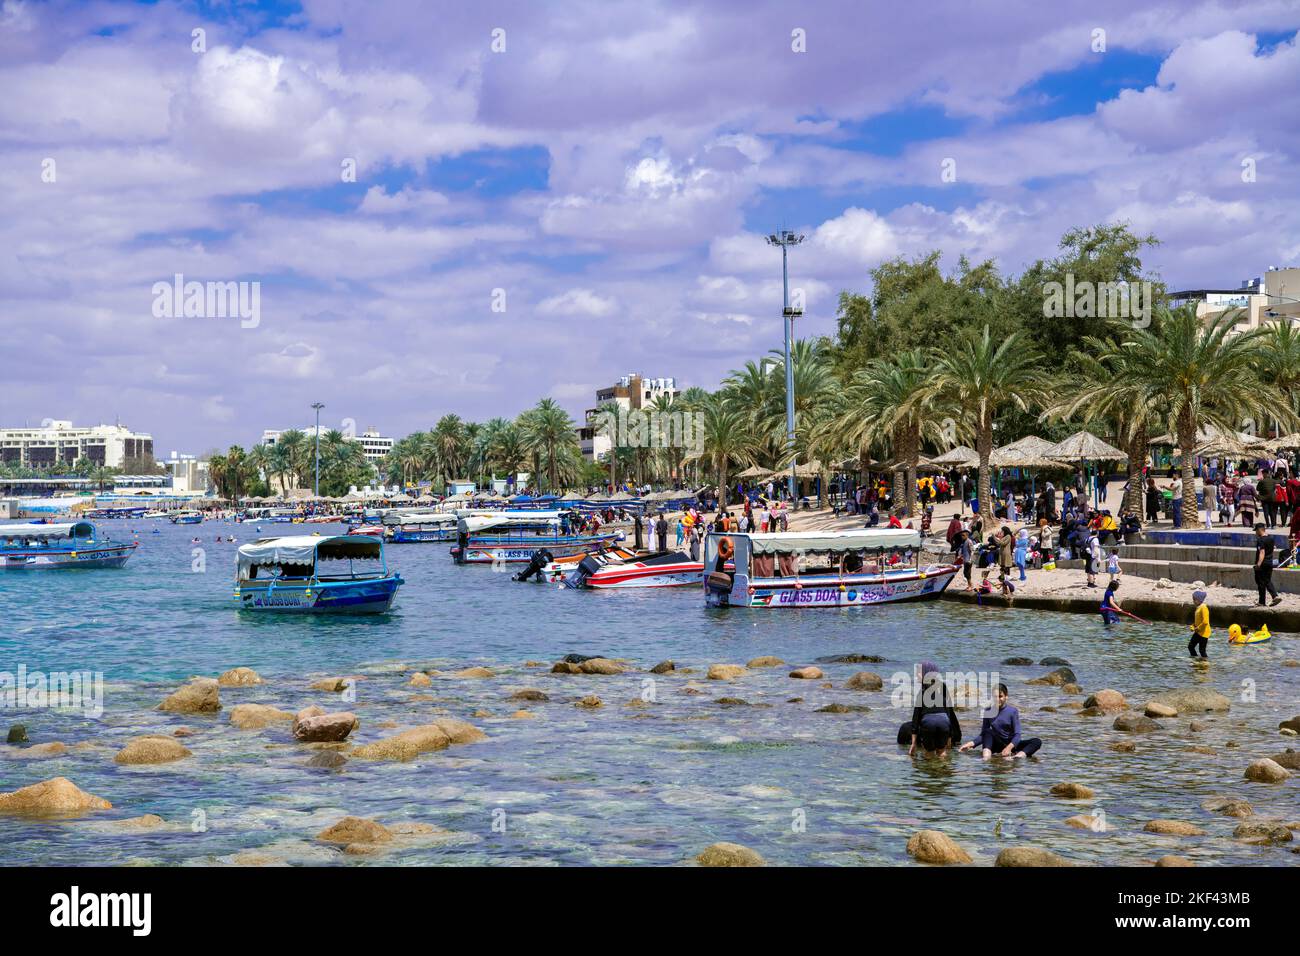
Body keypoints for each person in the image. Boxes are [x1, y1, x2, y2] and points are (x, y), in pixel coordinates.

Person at [959, 684, 1041, 758]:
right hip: (996, 745)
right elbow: (983, 735)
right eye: (995, 697)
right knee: (987, 731)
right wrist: (971, 744)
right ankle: (986, 758)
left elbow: (1017, 735)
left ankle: (1017, 757)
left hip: (1011, 745)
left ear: (1006, 696)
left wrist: (1008, 748)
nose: (997, 699)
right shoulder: (988, 711)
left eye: (1000, 696)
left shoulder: (1012, 711)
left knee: (1037, 741)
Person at [908, 669, 961, 758]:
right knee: (942, 751)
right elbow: (949, 714)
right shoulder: (942, 693)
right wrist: (949, 737)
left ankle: (931, 769)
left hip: (928, 722)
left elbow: (915, 718)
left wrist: (913, 743)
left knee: (929, 751)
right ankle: (943, 768)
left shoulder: (921, 693)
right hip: (944, 722)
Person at [1253, 523, 1281, 607]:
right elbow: (1273, 547)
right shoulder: (1271, 538)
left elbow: (1262, 552)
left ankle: (1271, 597)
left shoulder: (1261, 540)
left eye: (1256, 531)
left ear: (1259, 530)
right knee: (1267, 580)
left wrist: (1258, 564)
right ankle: (1269, 598)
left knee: (1261, 582)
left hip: (1263, 564)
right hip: (1270, 563)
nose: (1255, 533)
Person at [1188, 588, 1211, 659]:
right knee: (1191, 646)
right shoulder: (1199, 608)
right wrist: (1193, 625)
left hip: (1204, 633)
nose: (1193, 601)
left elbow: (1205, 622)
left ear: (1199, 599)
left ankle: (1205, 664)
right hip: (1198, 632)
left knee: (1202, 651)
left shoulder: (1204, 607)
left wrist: (1197, 628)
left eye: (1194, 599)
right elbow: (1198, 621)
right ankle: (1195, 661)